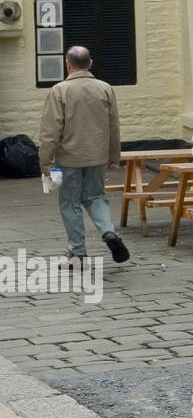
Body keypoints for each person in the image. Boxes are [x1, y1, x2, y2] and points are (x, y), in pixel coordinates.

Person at [38, 46, 130, 265]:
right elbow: (113, 125)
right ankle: (108, 231)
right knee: (96, 196)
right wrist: (113, 155)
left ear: (68, 65)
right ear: (90, 63)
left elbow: (51, 130)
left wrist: (45, 160)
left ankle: (78, 253)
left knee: (70, 204)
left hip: (68, 158)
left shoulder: (59, 91)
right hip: (97, 156)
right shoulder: (105, 88)